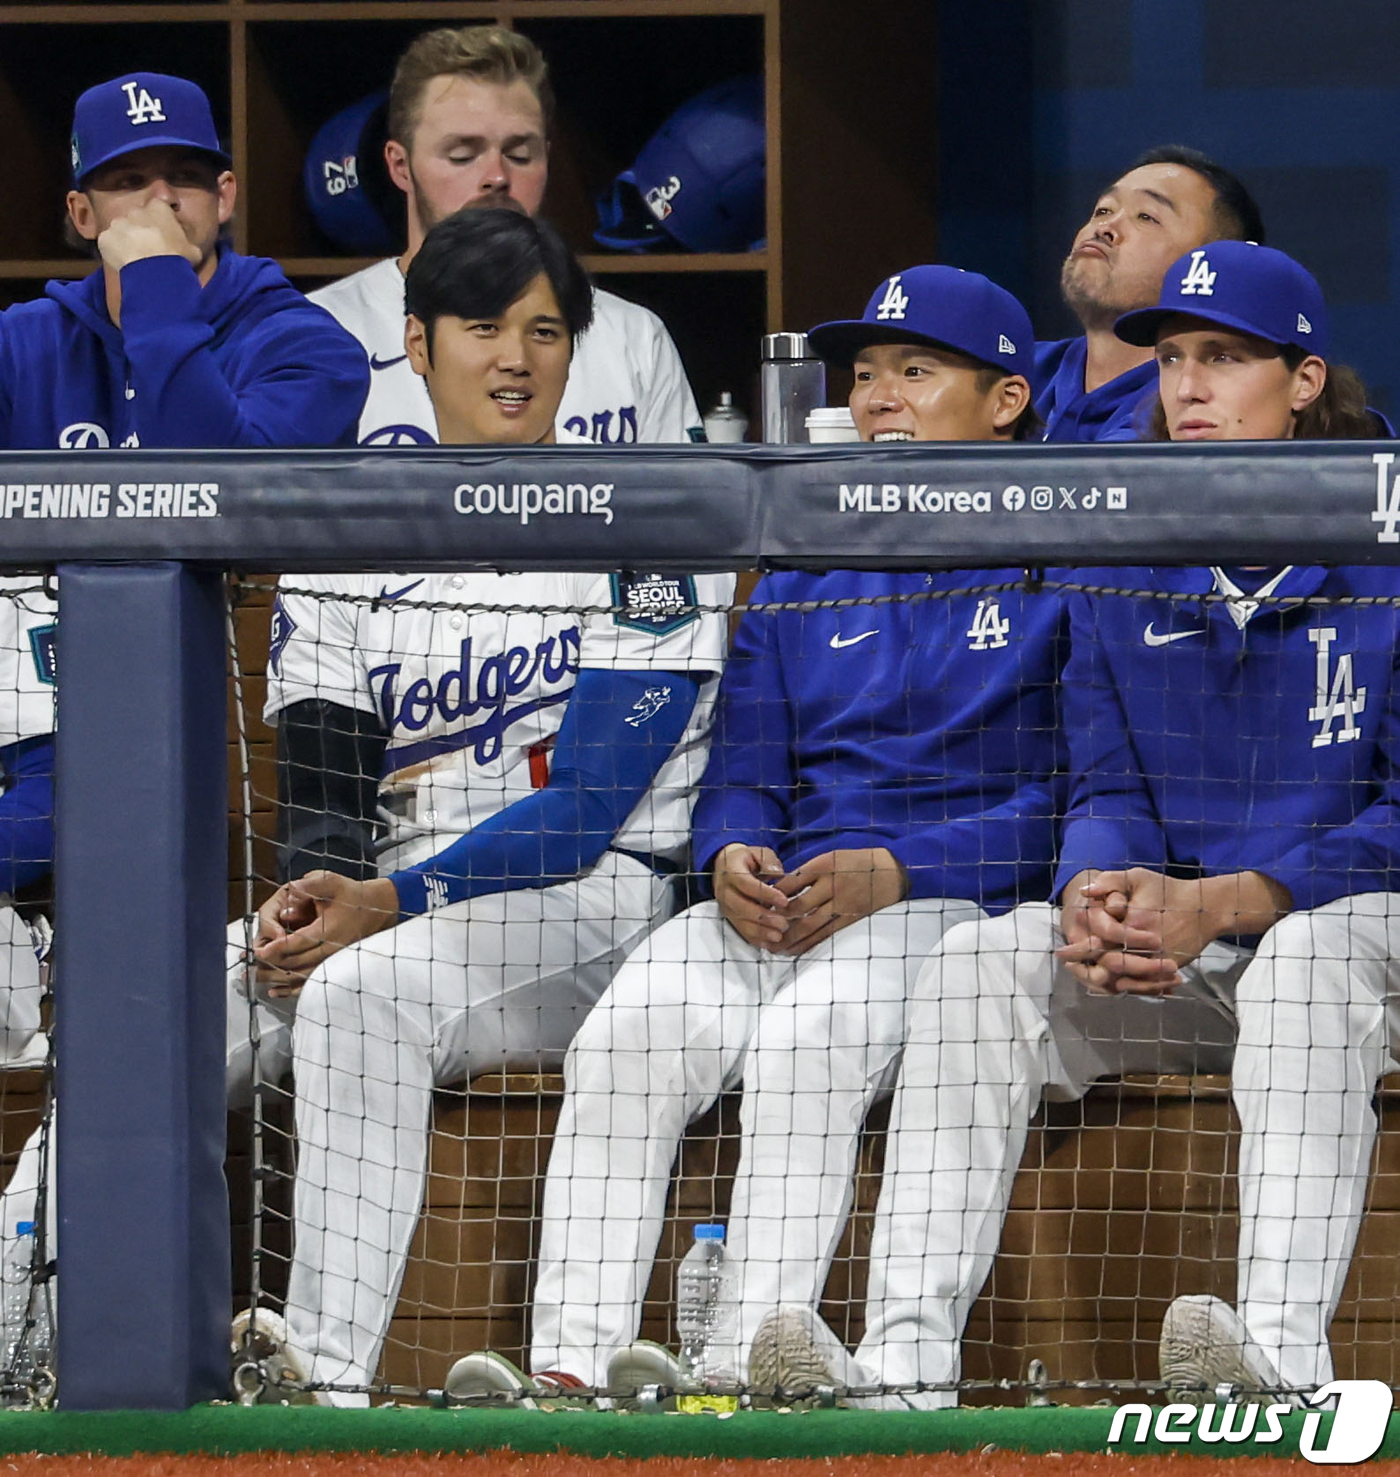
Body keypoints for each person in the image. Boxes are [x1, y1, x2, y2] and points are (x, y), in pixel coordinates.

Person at [752, 241, 1395, 1409]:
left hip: (1351, 939)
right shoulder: (1120, 551)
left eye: (1225, 357)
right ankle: (902, 1367)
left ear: (1303, 381)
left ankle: (1282, 1368)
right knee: (977, 965)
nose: (1188, 384)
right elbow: (1100, 781)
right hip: (1188, 944)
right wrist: (1099, 884)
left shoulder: (1385, 542)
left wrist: (1235, 899)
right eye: (1172, 359)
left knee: (1302, 965)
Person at [438, 264, 1067, 1405]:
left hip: (939, 899)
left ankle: (735, 1371)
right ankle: (567, 1370)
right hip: (776, 897)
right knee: (623, 1038)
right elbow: (741, 772)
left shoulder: (1056, 562)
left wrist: (901, 869)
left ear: (1005, 402)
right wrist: (730, 853)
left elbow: (1064, 803)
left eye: (915, 373)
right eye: (863, 375)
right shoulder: (801, 560)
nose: (877, 398)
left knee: (803, 1047)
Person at [234, 206, 731, 1405]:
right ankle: (28, 1334)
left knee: (361, 992)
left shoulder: (642, 516)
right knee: (163, 1015)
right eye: (481, 326)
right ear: (417, 343)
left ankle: (323, 1381)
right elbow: (323, 783)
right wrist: (314, 891)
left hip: (592, 895)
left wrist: (381, 904)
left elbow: (584, 811)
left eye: (545, 329)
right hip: (392, 894)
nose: (515, 357)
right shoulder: (356, 522)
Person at [309, 25, 702, 447]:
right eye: (462, 155)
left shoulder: (633, 338)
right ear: (400, 167)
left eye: (519, 155)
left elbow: (689, 508)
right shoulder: (314, 332)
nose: (496, 177)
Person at [0, 71, 367, 450]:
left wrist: (155, 280)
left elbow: (212, 491)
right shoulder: (17, 348)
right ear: (82, 216)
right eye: (130, 181)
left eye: (186, 176)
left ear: (224, 197)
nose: (161, 198)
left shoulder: (310, 348)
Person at [1034, 145, 1264, 444]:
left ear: (1206, 267)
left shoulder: (1194, 412)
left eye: (1146, 216)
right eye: (1103, 210)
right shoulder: (1015, 369)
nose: (1105, 227)